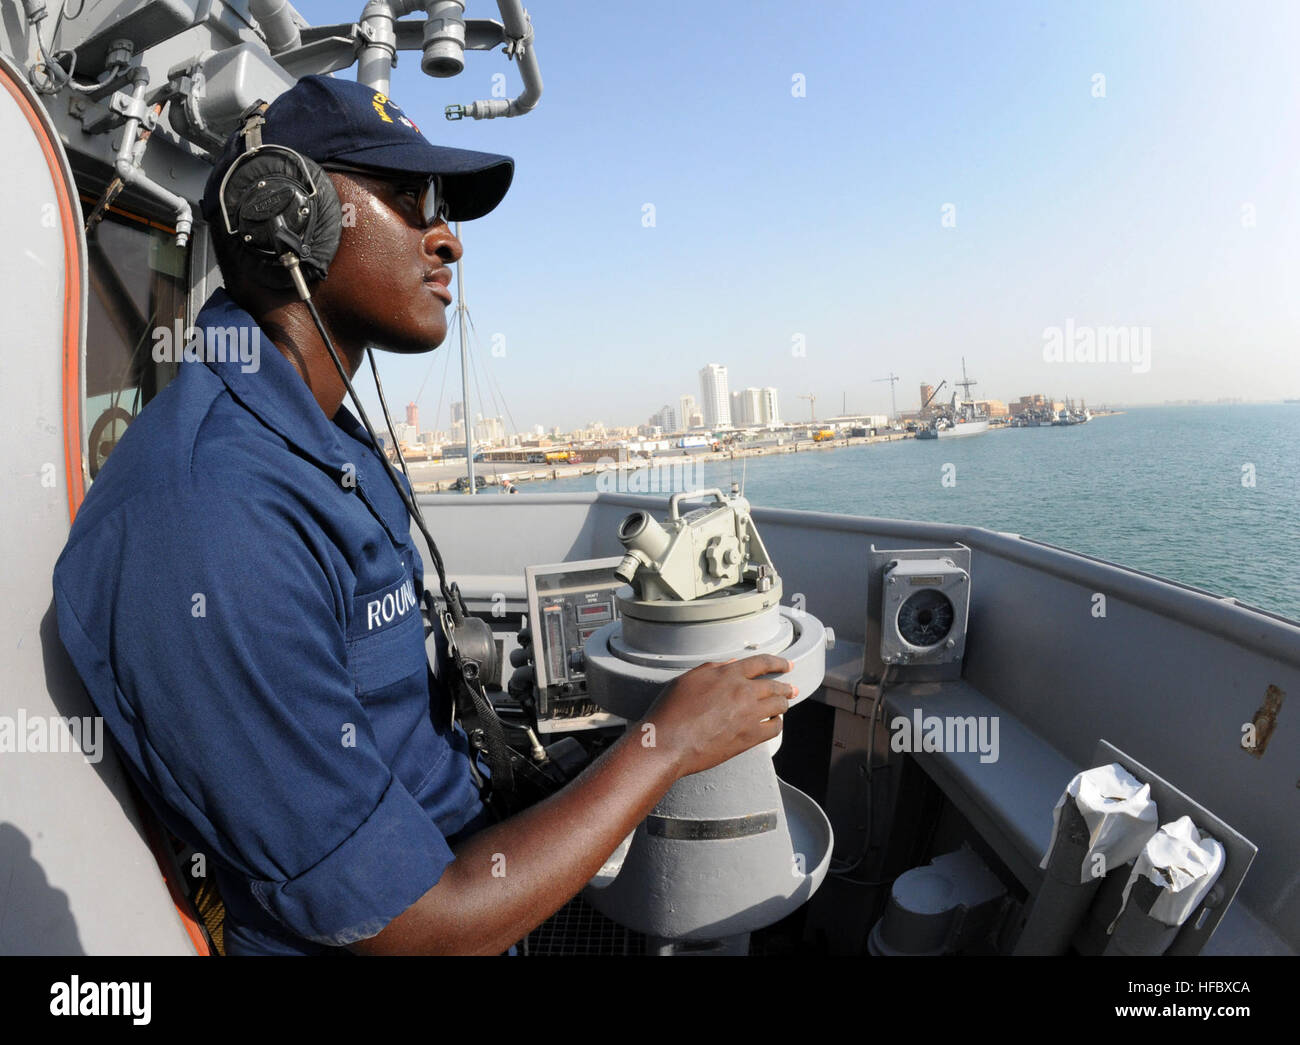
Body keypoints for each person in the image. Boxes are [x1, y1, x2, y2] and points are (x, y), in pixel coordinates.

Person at [51, 75, 794, 955]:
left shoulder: (319, 434)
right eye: (410, 199)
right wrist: (666, 744)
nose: (449, 240)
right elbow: (413, 926)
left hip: (476, 849)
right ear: (285, 215)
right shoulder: (211, 522)